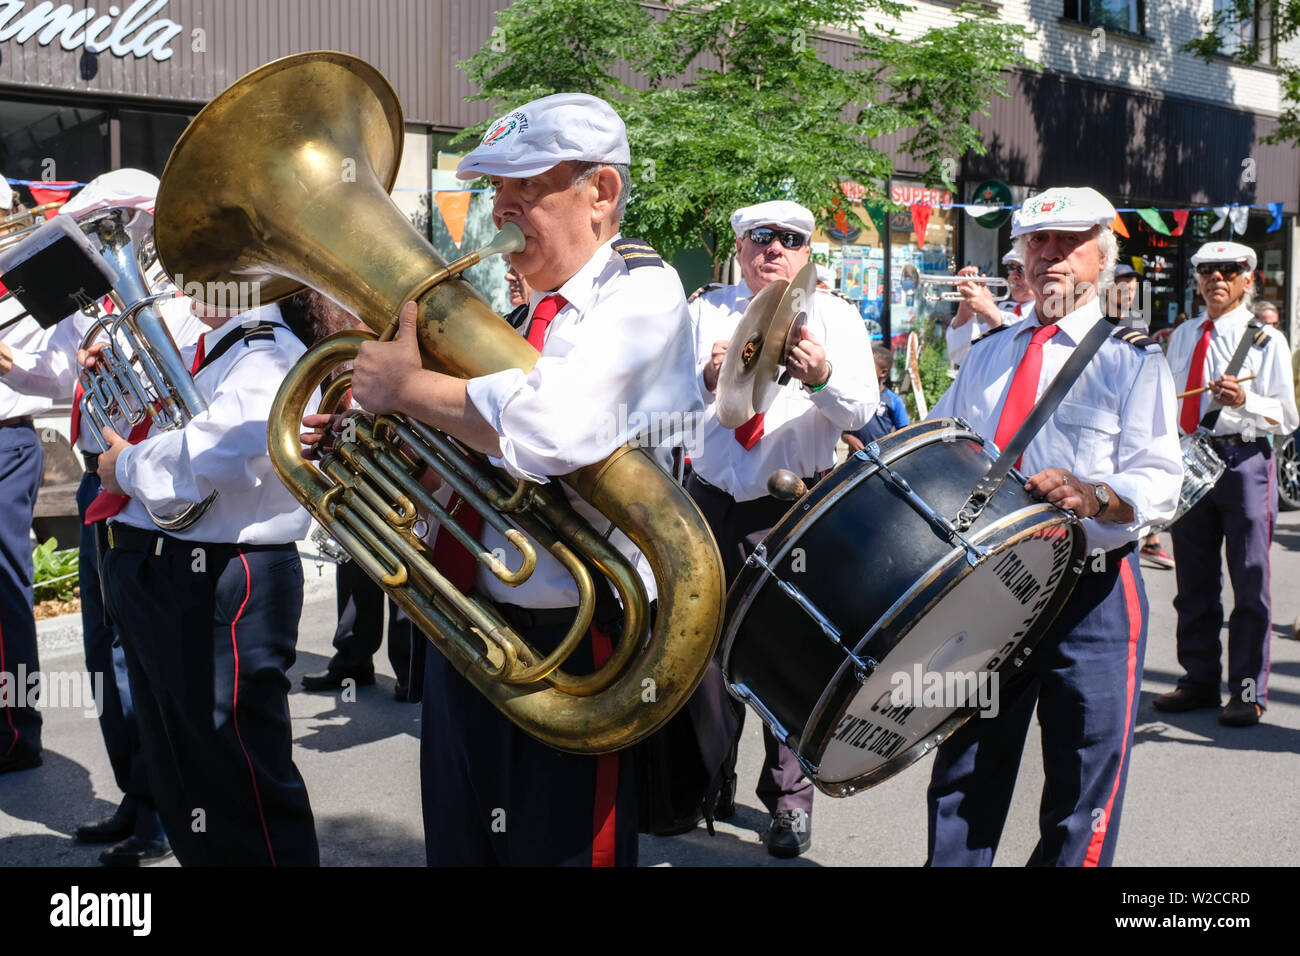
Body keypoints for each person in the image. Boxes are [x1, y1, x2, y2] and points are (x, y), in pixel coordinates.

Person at [343, 92, 702, 867]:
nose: (501, 211)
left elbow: (554, 430)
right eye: (495, 192)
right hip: (463, 630)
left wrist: (409, 391)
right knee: (463, 850)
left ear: (599, 193)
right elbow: (480, 437)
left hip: (578, 649)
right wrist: (379, 440)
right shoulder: (514, 313)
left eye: (526, 190)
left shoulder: (641, 291)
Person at [925, 186, 1181, 866]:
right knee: (963, 777)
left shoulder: (1132, 359)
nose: (1049, 256)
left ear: (1103, 257)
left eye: (1067, 243)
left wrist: (1097, 496)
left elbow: (1158, 481)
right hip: (989, 595)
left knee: (1082, 790)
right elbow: (937, 450)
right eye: (1037, 242)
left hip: (1090, 595)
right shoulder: (988, 351)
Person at [0, 169, 196, 863]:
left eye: (104, 228)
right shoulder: (88, 297)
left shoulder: (177, 296)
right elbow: (58, 377)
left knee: (144, 656)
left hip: (148, 484)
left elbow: (184, 384)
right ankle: (137, 796)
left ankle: (168, 808)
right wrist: (16, 369)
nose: (91, 243)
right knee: (103, 650)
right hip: (97, 484)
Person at [90, 297, 320, 865]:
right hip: (167, 568)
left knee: (238, 779)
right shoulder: (213, 345)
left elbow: (219, 452)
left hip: (220, 575)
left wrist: (126, 464)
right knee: (185, 775)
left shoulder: (264, 348)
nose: (184, 284)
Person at [686, 199, 876, 857]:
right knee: (702, 649)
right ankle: (708, 777)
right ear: (739, 247)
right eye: (759, 238)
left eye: (789, 239)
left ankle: (790, 804)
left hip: (792, 507)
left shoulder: (837, 316)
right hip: (709, 500)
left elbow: (863, 407)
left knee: (786, 654)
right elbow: (659, 403)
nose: (773, 249)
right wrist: (707, 375)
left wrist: (821, 375)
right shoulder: (706, 309)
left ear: (807, 252)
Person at [1153, 241, 1299, 727]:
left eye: (1229, 270)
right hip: (1192, 459)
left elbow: (1288, 417)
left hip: (1244, 460)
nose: (1217, 278)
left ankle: (1247, 690)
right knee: (1192, 579)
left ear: (1248, 279)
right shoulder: (1185, 334)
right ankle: (1197, 679)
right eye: (1207, 270)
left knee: (1250, 580)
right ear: (1197, 278)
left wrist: (1247, 401)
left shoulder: (1266, 340)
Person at [288, 290, 415, 700]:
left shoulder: (392, 327)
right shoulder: (329, 321)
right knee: (354, 562)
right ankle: (351, 660)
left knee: (400, 563)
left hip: (395, 463)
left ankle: (411, 672)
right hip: (353, 461)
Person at [0, 194, 53, 778]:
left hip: (5, 440)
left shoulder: (26, 274)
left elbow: (46, 368)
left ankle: (15, 729)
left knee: (4, 593)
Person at [944, 249, 1032, 368]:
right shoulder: (1006, 309)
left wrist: (989, 310)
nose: (1013, 275)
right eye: (1011, 268)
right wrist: (966, 305)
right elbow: (960, 355)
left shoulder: (1043, 313)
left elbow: (1019, 354)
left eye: (1022, 269)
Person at [844, 344, 909, 451]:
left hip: (881, 461)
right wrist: (849, 438)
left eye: (868, 366)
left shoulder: (894, 400)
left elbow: (904, 433)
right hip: (854, 460)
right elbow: (844, 432)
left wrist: (887, 447)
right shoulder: (854, 397)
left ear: (883, 372)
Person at [1107, 263, 1145, 330]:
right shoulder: (1093, 323)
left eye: (1133, 290)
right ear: (1107, 291)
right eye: (1124, 290)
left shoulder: (1138, 323)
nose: (1129, 295)